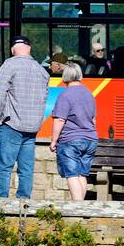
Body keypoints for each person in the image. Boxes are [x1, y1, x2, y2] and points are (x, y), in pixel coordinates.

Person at [0, 35, 50, 198]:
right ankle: (24, 202)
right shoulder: (41, 70)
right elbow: (44, 98)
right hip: (32, 127)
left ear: (12, 50)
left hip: (11, 123)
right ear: (29, 49)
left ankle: (1, 203)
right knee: (26, 169)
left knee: (4, 167)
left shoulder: (9, 65)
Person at [51, 62, 98, 201]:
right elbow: (93, 119)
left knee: (72, 174)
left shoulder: (65, 95)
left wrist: (54, 140)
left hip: (71, 140)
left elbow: (59, 120)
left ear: (65, 76)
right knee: (82, 174)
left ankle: (77, 210)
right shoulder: (89, 94)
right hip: (90, 139)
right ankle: (81, 208)